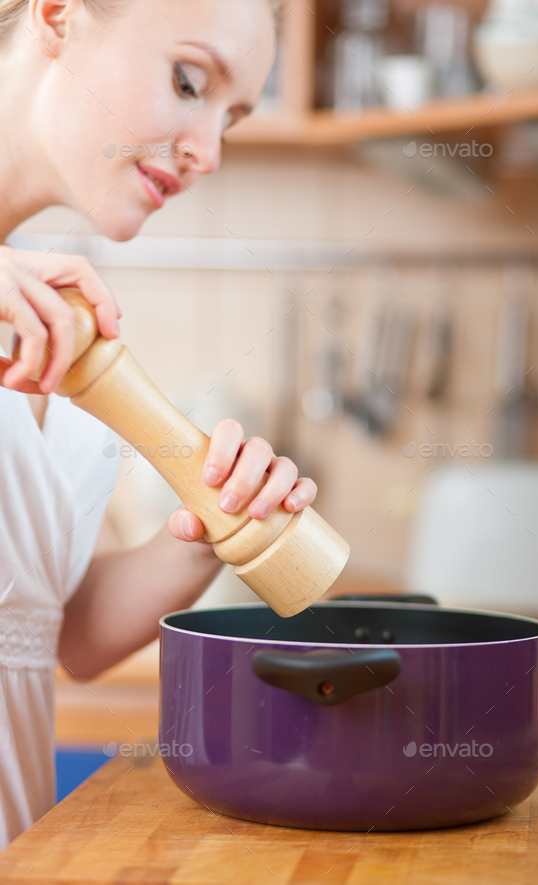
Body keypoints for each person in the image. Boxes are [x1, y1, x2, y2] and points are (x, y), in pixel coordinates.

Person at [0, 0, 316, 847]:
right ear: (59, 16)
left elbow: (62, 632)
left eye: (232, 117)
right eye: (188, 82)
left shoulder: (45, 320)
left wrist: (205, 529)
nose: (208, 153)